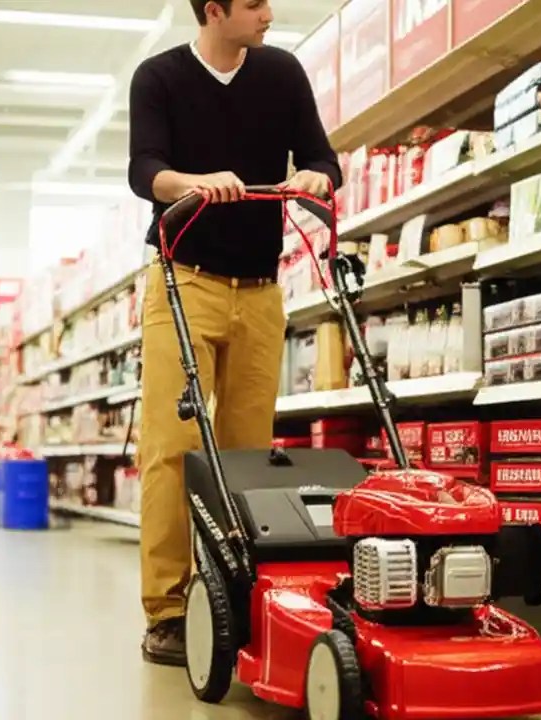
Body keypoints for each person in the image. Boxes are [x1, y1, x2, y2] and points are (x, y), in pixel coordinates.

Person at [126, 0, 341, 665]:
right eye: (253, 4)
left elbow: (323, 159)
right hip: (183, 280)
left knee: (251, 451)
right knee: (174, 446)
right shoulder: (158, 78)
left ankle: (253, 594)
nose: (268, 14)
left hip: (261, 288)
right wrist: (192, 183)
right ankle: (166, 609)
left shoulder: (281, 73)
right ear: (213, 10)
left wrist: (314, 178)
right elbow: (145, 171)